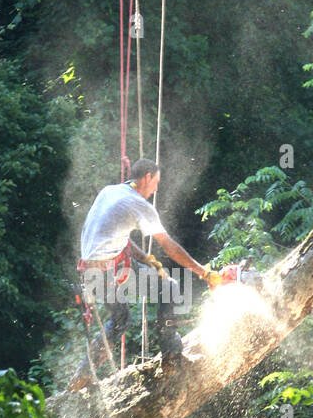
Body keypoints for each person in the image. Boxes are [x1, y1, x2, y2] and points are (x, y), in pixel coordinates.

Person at [68, 158, 222, 390]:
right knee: (168, 286)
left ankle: (83, 373)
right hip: (112, 271)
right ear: (147, 177)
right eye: (156, 182)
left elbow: (114, 235)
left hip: (91, 272)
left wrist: (145, 258)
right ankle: (171, 355)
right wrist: (205, 273)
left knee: (120, 321)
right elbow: (169, 246)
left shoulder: (110, 192)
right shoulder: (139, 204)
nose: (156, 189)